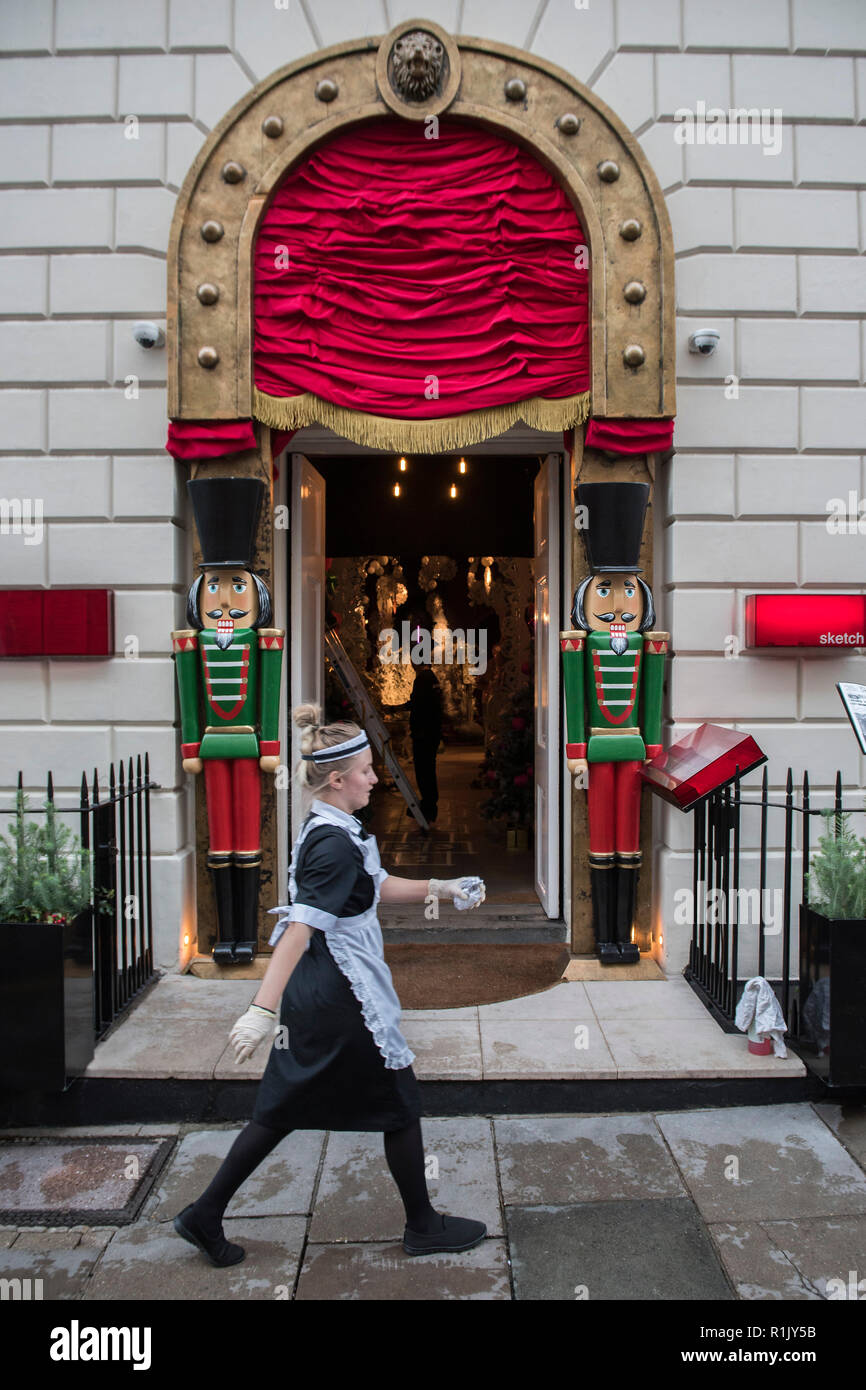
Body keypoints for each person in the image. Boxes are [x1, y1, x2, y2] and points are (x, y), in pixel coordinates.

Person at [173, 703, 487, 1267]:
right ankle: (422, 1225)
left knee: (282, 1107)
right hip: (343, 995)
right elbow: (298, 929)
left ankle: (204, 1213)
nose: (375, 777)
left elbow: (378, 885)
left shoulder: (333, 827)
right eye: (366, 770)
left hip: (326, 992)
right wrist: (260, 1010)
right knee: (399, 1102)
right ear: (338, 779)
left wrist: (442, 886)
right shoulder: (333, 843)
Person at [403, 659, 443, 823]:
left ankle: (428, 806)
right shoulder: (432, 678)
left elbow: (418, 704)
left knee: (424, 770)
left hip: (424, 733)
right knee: (428, 769)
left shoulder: (422, 679)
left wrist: (396, 708)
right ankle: (429, 805)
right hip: (431, 732)